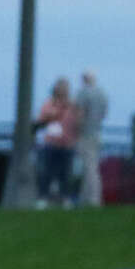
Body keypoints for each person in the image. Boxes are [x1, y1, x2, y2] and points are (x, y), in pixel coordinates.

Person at [34, 78, 79, 206]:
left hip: (68, 144)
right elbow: (41, 120)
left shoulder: (73, 106)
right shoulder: (49, 104)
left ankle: (66, 198)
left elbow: (78, 123)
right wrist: (53, 114)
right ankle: (43, 198)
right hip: (51, 143)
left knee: (66, 174)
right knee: (46, 173)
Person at [75, 70, 110, 207]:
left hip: (85, 134)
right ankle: (85, 199)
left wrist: (77, 129)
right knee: (92, 167)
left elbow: (80, 113)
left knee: (89, 169)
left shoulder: (83, 93)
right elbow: (105, 114)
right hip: (97, 133)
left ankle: (93, 199)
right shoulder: (102, 94)